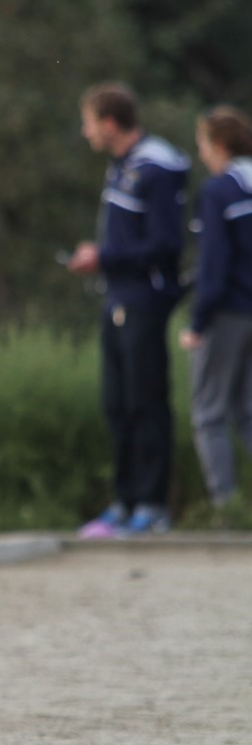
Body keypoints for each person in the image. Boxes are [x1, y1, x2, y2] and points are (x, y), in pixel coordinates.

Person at [70, 83, 189, 537]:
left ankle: (152, 504)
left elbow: (165, 245)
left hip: (144, 300)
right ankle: (124, 501)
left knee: (146, 403)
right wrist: (99, 255)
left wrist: (105, 258)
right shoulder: (119, 168)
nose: (85, 134)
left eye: (88, 123)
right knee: (116, 403)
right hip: (115, 298)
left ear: (109, 123)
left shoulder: (155, 167)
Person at [179, 106, 252, 512]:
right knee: (247, 411)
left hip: (227, 313)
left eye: (204, 146)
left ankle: (227, 509)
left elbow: (214, 264)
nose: (203, 155)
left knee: (209, 414)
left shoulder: (218, 191)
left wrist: (198, 321)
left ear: (220, 145)